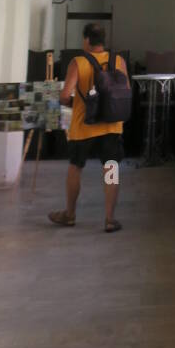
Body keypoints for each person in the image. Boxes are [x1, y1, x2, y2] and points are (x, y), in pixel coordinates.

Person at [48, 23, 129, 232]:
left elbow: (65, 95)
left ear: (86, 40)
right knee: (111, 168)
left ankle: (70, 214)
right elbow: (126, 90)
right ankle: (110, 218)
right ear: (104, 40)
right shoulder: (118, 60)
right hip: (112, 126)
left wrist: (73, 101)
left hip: (83, 125)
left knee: (76, 167)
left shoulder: (78, 62)